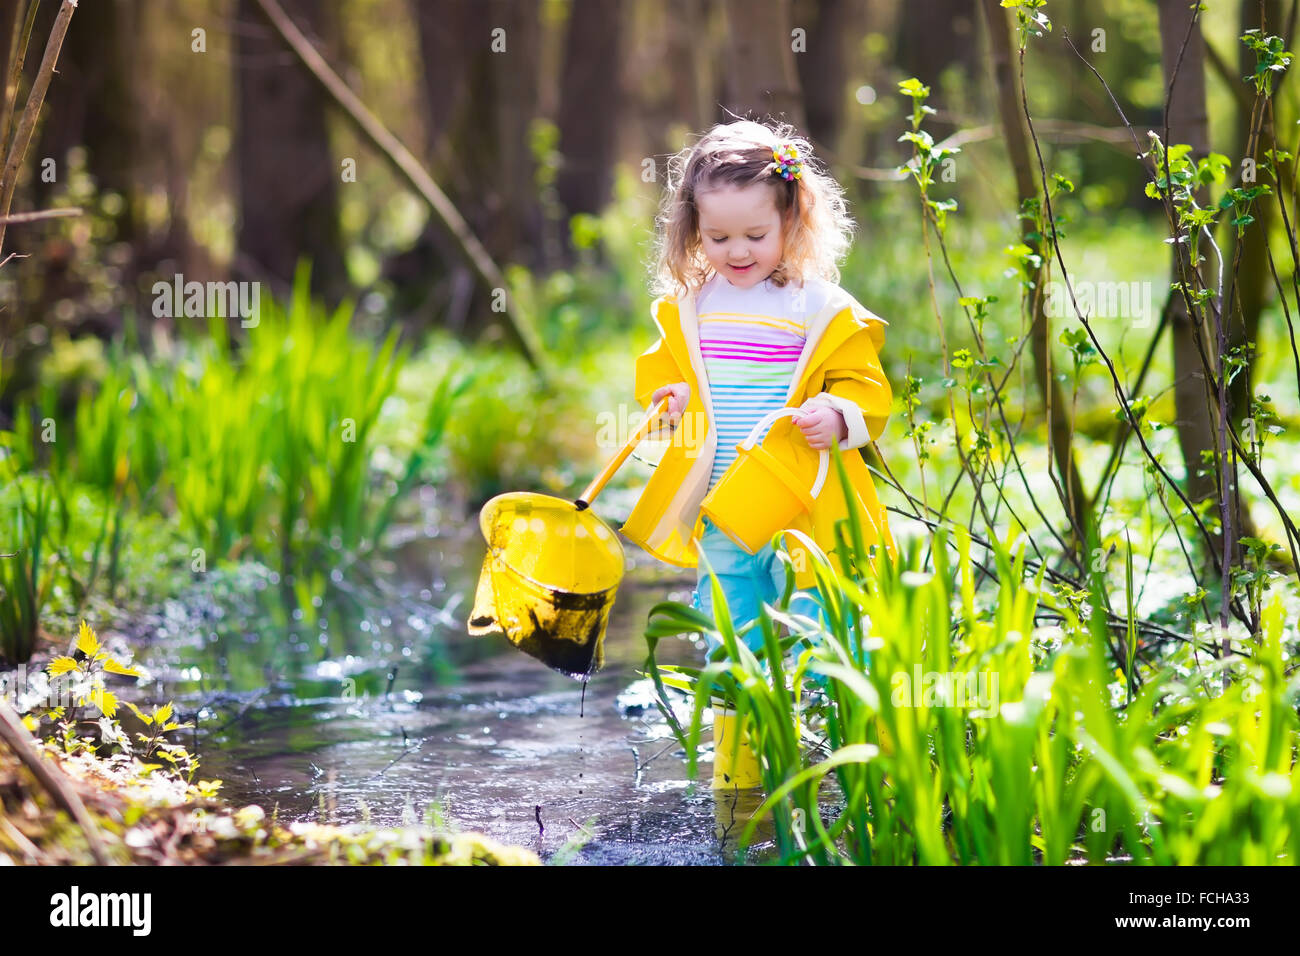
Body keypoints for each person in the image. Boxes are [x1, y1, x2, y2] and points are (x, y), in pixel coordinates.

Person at [620, 118, 896, 697]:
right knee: (733, 605)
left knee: (814, 600)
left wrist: (838, 414)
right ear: (694, 229)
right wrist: (668, 399)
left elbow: (866, 388)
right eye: (718, 238)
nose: (737, 251)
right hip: (722, 498)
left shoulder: (816, 307)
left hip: (800, 491)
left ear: (790, 220)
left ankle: (820, 710)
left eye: (754, 234)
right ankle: (740, 713)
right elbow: (666, 373)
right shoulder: (690, 307)